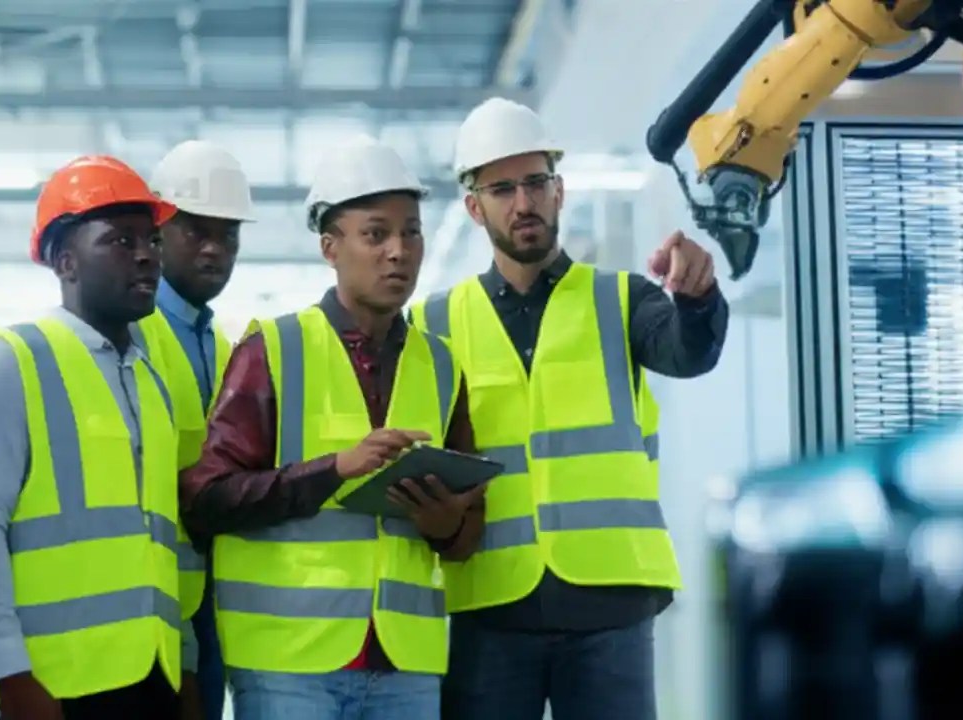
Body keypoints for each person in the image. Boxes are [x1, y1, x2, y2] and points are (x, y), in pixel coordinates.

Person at [409, 97, 730, 720]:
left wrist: (697, 298)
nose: (523, 203)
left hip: (610, 604)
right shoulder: (435, 324)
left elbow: (688, 352)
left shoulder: (621, 298)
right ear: (475, 208)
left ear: (559, 191)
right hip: (490, 604)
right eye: (503, 189)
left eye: (535, 183)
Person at [179, 135, 486, 720]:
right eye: (376, 234)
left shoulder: (443, 365)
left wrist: (446, 527)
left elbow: (469, 528)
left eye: (412, 232)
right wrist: (334, 469)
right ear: (330, 247)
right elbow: (206, 499)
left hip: (406, 664)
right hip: (288, 667)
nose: (399, 251)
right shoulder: (272, 349)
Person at [0, 155, 196, 720]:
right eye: (120, 240)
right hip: (51, 690)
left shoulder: (149, 381)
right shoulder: (10, 364)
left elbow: (159, 541)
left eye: (152, 240)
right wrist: (12, 678)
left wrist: (185, 665)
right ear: (65, 262)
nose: (147, 256)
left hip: (151, 679)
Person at [140, 139, 257, 720]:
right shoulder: (128, 336)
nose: (215, 249)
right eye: (197, 231)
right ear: (158, 231)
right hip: (150, 615)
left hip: (210, 604)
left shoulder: (224, 348)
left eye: (228, 234)